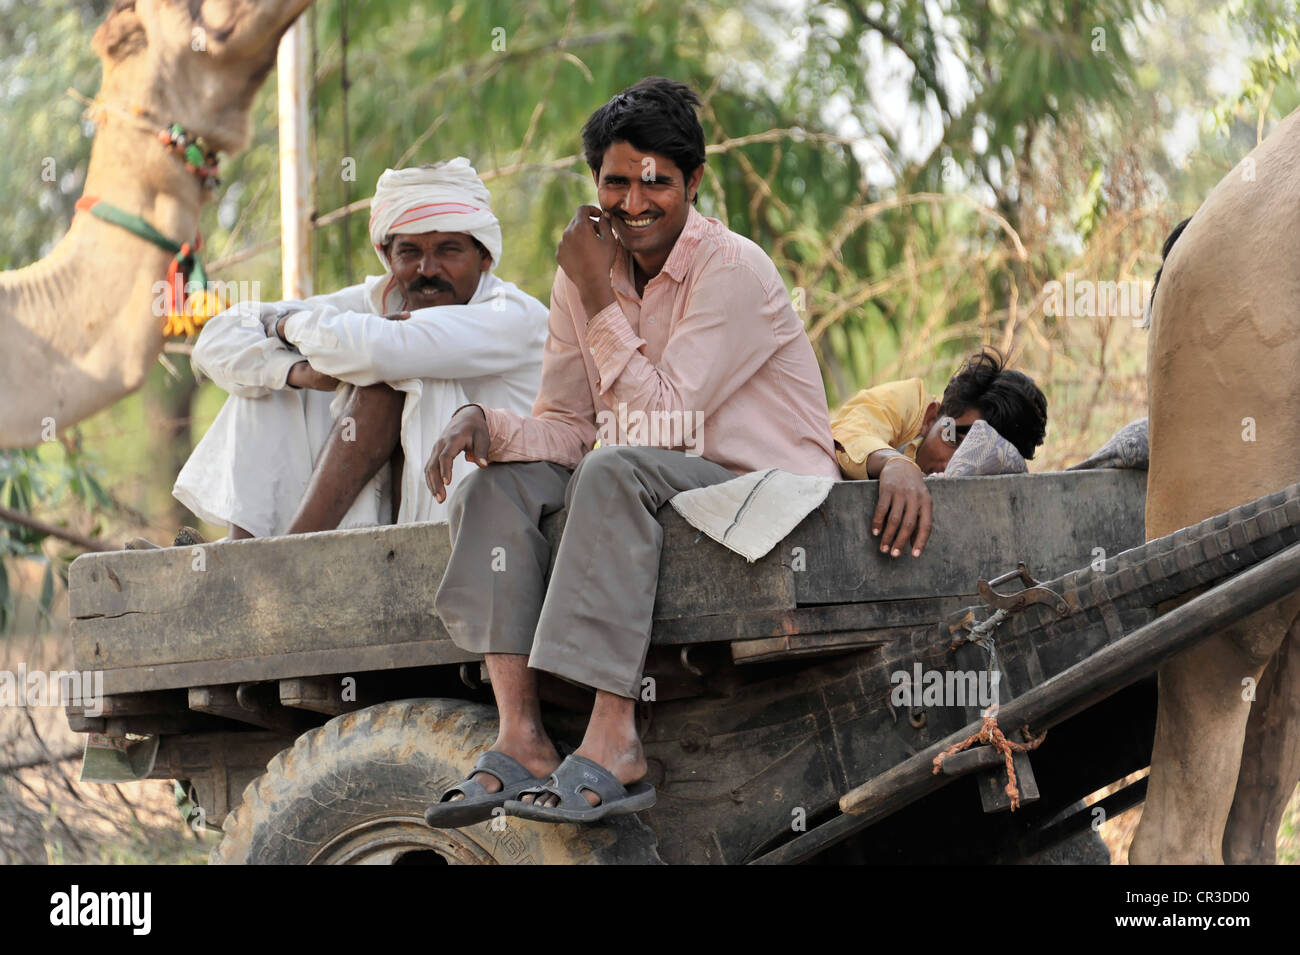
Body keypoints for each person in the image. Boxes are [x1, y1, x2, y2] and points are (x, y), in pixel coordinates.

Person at [422, 78, 840, 827]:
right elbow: (569, 423)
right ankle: (521, 735)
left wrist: (596, 293)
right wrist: (488, 427)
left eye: (657, 182)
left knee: (615, 469)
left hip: (758, 484)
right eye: (616, 181)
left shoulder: (732, 269)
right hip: (652, 474)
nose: (634, 201)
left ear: (694, 183)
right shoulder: (584, 268)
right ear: (596, 184)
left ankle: (615, 737)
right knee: (493, 487)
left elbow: (662, 423)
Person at [171, 159, 547, 540]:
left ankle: (282, 559)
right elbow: (217, 338)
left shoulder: (513, 314)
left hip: (479, 524)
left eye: (449, 251)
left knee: (385, 374)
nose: (427, 268)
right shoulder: (377, 301)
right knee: (270, 378)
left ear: (483, 256)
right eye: (410, 252)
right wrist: (295, 373)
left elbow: (380, 350)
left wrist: (285, 326)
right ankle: (246, 551)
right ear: (388, 256)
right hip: (384, 525)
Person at [830, 348, 1047, 560]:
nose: (953, 465)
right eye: (953, 439)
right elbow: (849, 432)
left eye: (977, 462)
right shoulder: (908, 403)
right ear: (931, 418)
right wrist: (895, 463)